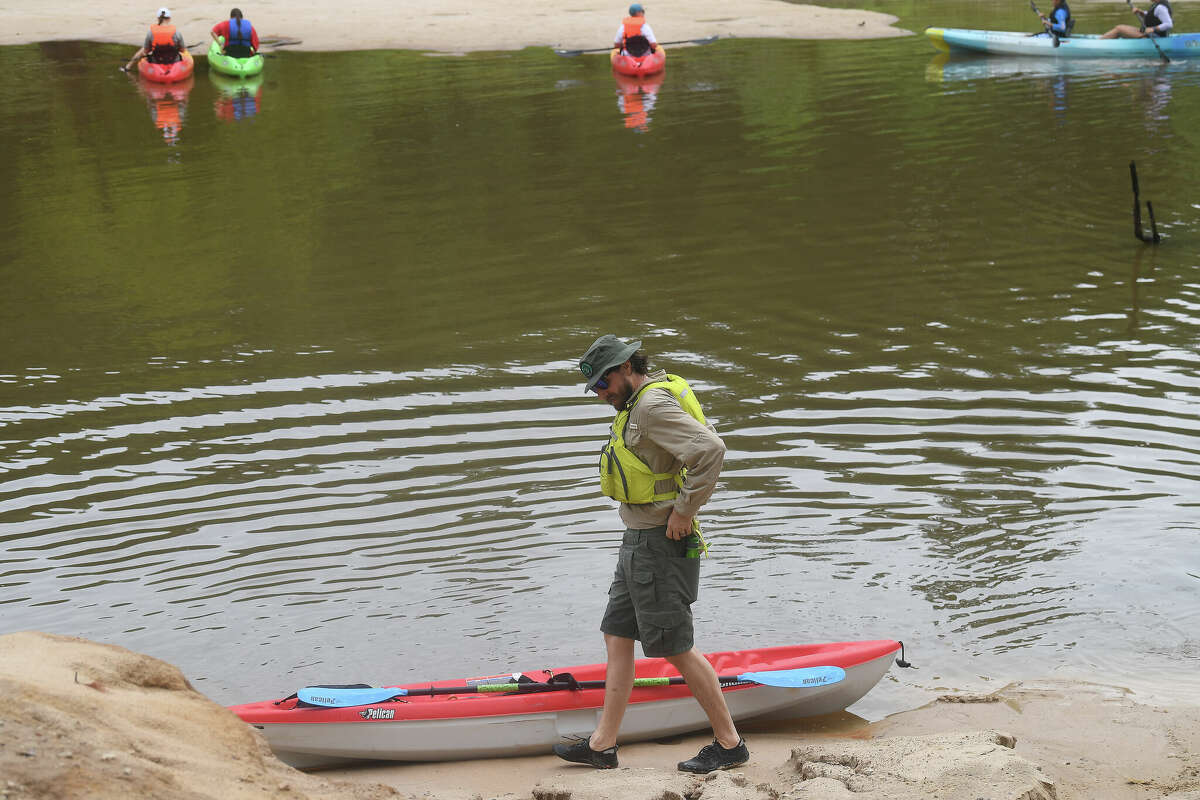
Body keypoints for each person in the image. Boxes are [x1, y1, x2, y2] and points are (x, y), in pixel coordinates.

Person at [553, 335, 749, 775]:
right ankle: (602, 746)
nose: (601, 395)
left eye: (603, 384)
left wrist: (683, 511)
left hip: (660, 545)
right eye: (596, 389)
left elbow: (711, 451)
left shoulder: (651, 407)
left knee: (676, 648)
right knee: (617, 635)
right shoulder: (633, 405)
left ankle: (729, 744)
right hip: (637, 542)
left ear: (625, 368)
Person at [125, 8, 186, 72]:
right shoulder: (177, 32)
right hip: (174, 61)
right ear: (169, 19)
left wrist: (153, 48)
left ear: (158, 19)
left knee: (143, 49)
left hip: (156, 62)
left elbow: (145, 51)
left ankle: (128, 67)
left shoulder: (150, 32)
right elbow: (183, 50)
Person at [1101, 0, 1172, 38]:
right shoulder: (1158, 4)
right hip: (1148, 33)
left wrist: (1153, 29)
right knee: (1118, 28)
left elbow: (1168, 24)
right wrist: (1141, 12)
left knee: (1119, 29)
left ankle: (1098, 43)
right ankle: (1101, 40)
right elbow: (1153, 16)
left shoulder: (1160, 8)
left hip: (1154, 37)